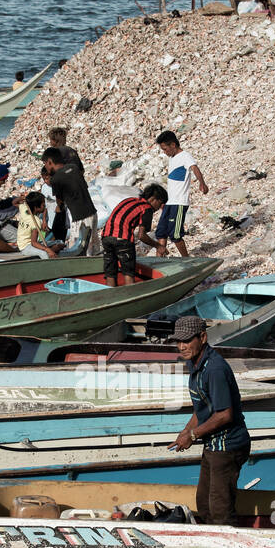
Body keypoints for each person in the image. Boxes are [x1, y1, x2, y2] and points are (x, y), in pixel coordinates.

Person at [170, 316, 250, 526]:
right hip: (212, 444)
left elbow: (224, 414)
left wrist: (194, 435)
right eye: (178, 341)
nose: (182, 346)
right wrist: (186, 432)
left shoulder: (214, 369)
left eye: (187, 341)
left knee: (220, 511)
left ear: (203, 337)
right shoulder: (194, 363)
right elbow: (203, 407)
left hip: (228, 446)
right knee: (204, 505)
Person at [154, 131, 208, 258]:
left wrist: (202, 183)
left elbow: (194, 168)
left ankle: (186, 258)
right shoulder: (172, 158)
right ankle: (158, 260)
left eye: (165, 149)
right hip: (169, 202)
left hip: (179, 202)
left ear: (173, 145)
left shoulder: (185, 156)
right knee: (161, 232)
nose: (165, 152)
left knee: (175, 234)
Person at [101, 183, 166, 283]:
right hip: (122, 238)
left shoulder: (130, 200)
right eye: (161, 203)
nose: (160, 207)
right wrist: (158, 246)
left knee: (110, 271)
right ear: (153, 199)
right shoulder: (147, 208)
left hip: (106, 236)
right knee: (128, 272)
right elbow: (142, 236)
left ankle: (112, 295)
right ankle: (131, 293)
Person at [42, 148, 99, 257]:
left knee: (78, 250)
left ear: (50, 162)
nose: (45, 167)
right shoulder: (74, 168)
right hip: (92, 213)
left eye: (45, 164)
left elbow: (60, 202)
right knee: (93, 248)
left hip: (80, 219)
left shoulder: (55, 180)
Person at [17, 192, 62, 259]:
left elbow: (14, 202)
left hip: (30, 242)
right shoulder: (36, 221)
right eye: (43, 205)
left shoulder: (24, 208)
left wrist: (21, 198)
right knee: (43, 253)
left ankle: (53, 250)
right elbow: (33, 243)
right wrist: (47, 249)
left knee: (59, 243)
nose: (45, 207)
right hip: (25, 247)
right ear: (36, 208)